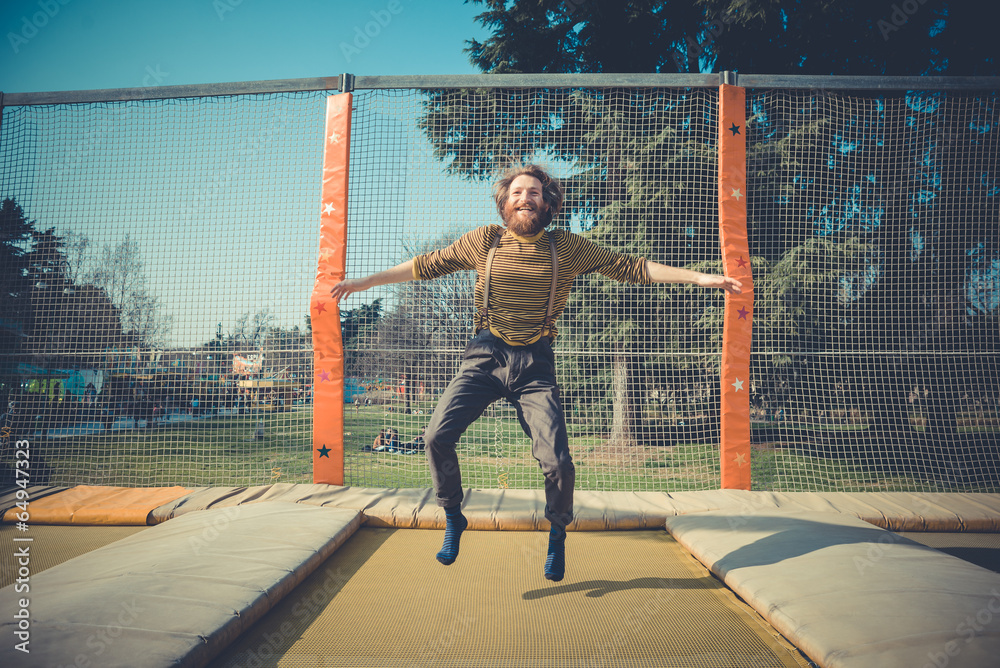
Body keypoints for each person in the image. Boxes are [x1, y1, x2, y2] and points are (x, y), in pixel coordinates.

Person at [331, 164, 741, 582]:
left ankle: (558, 532)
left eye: (533, 193)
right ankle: (453, 515)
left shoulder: (567, 247)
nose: (525, 198)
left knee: (558, 462)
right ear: (504, 203)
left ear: (548, 204)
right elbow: (423, 265)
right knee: (436, 435)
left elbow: (630, 267)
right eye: (517, 193)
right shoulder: (483, 242)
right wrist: (365, 282)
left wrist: (699, 277)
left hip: (536, 364)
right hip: (485, 355)